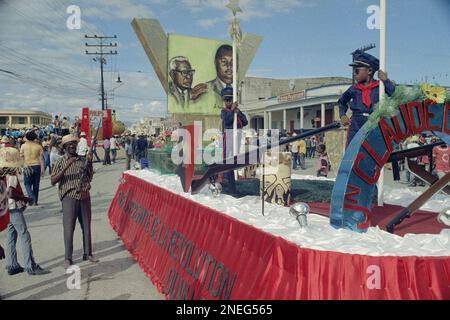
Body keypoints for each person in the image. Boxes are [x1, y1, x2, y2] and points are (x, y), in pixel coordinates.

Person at [50, 134, 98, 268]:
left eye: (74, 143)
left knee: (87, 226)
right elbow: (53, 180)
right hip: (69, 196)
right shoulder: (60, 161)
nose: (72, 146)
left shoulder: (82, 159)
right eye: (69, 144)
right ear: (64, 147)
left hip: (84, 195)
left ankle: (88, 253)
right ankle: (68, 258)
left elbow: (89, 176)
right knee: (69, 228)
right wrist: (66, 166)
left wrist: (89, 164)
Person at [0, 147, 50, 275]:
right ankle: (30, 265)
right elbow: (11, 194)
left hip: (6, 209)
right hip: (14, 208)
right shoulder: (11, 175)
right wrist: (26, 198)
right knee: (24, 235)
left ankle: (12, 264)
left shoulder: (2, 174)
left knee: (11, 234)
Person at [339, 51, 396, 144]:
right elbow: (341, 102)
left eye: (357, 70)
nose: (354, 73)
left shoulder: (380, 87)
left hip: (375, 124)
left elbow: (394, 95)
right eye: (353, 71)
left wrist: (386, 81)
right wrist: (342, 115)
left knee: (375, 151)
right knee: (353, 153)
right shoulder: (354, 89)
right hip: (356, 125)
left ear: (369, 71)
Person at [220, 86, 248, 193]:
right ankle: (227, 182)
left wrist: (238, 112)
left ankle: (232, 183)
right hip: (229, 136)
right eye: (226, 100)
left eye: (230, 99)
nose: (228, 102)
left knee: (236, 160)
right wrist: (232, 111)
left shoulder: (236, 111)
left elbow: (245, 122)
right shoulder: (224, 111)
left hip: (238, 137)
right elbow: (227, 121)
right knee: (228, 161)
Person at [20, 131, 44, 206]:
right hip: (37, 165)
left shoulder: (23, 146)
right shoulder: (38, 146)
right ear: (35, 138)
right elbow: (41, 158)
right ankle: (35, 201)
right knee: (36, 184)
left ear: (26, 137)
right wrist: (43, 168)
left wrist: (22, 166)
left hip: (27, 165)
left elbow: (21, 156)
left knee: (27, 183)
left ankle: (31, 198)